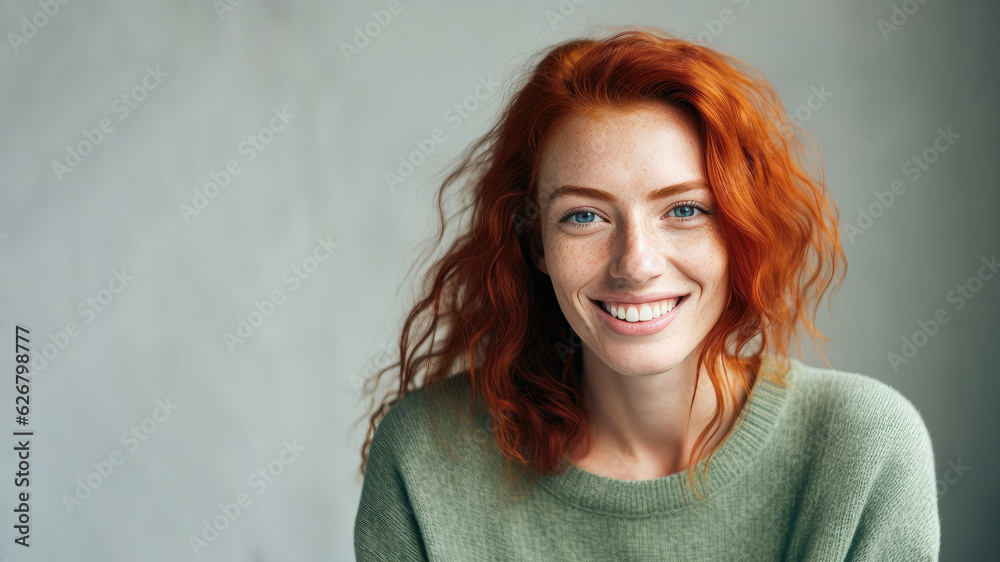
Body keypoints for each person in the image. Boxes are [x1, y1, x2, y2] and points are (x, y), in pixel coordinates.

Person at [353, 25, 940, 561]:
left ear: (739, 231)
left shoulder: (864, 448)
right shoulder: (425, 458)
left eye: (684, 210)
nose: (635, 264)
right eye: (583, 216)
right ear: (534, 243)